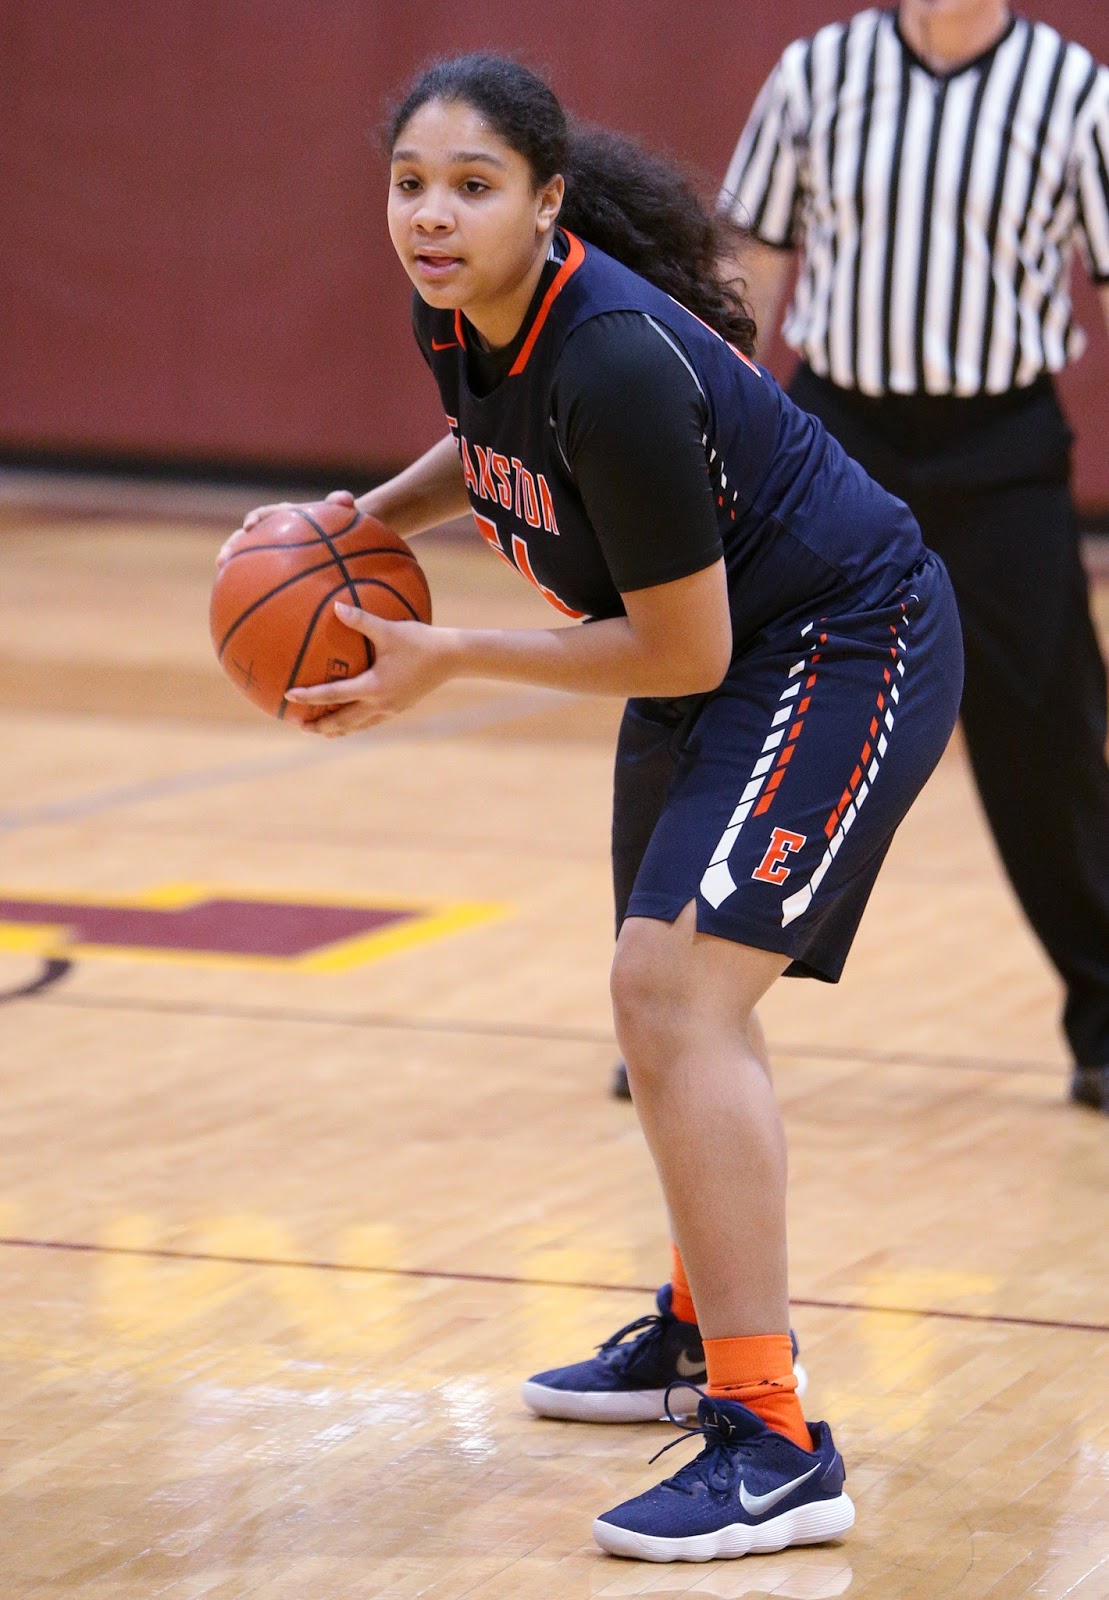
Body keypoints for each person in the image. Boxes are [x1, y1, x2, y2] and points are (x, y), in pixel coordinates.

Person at [223, 53, 962, 1562]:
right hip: (724, 656)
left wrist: (445, 659)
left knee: (675, 994)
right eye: (410, 185)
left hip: (840, 640)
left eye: (472, 188)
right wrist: (357, 522)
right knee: (664, 1004)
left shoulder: (617, 357)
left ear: (547, 203)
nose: (432, 217)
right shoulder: (464, 308)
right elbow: (488, 446)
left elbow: (680, 645)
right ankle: (699, 1334)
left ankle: (776, 1440)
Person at [719, 0, 1109, 1115]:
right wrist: (719, 428)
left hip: (1002, 447)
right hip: (836, 440)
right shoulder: (815, 72)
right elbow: (749, 257)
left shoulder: (1072, 91)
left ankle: (1102, 1019)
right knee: (751, 710)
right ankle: (687, 1006)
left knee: (1047, 735)